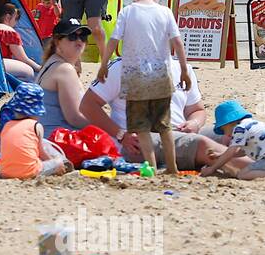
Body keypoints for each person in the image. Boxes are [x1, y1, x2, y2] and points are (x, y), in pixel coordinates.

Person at [97, 0, 191, 177]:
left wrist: (104, 64)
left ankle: (151, 167)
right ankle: (173, 167)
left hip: (135, 79)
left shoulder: (127, 12)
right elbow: (177, 43)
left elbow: (113, 40)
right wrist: (184, 71)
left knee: (141, 127)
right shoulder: (165, 12)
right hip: (161, 77)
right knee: (165, 126)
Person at [81, 58, 250, 174]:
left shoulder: (179, 67)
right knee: (201, 144)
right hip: (140, 140)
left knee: (236, 131)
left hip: (179, 131)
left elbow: (197, 110)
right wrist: (120, 134)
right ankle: (261, 168)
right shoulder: (121, 67)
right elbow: (87, 105)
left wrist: (194, 123)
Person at [33, 18, 92, 138]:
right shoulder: (65, 69)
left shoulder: (51, 62)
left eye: (83, 37)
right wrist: (107, 128)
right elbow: (74, 118)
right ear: (57, 41)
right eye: (72, 37)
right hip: (57, 141)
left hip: (46, 137)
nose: (79, 41)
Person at [0, 82, 69, 179]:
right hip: (30, 172)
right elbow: (41, 153)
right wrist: (54, 163)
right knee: (49, 149)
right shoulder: (36, 126)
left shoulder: (7, 126)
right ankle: (63, 163)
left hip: (5, 172)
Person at [0, 0, 38, 84]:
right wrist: (41, 68)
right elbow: (23, 59)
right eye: (16, 19)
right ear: (8, 17)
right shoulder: (9, 31)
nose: (16, 23)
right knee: (29, 72)